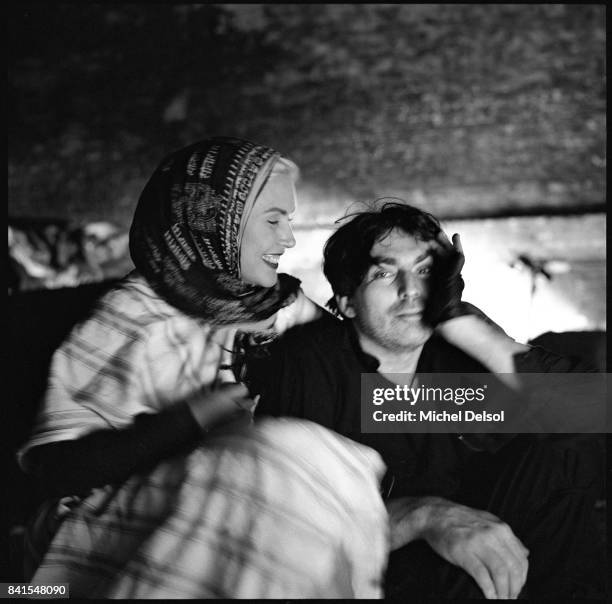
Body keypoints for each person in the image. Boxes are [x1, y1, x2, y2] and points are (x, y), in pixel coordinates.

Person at [16, 137, 389, 598]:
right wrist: (191, 420)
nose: (288, 238)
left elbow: (414, 396)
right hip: (115, 531)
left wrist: (463, 330)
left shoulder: (281, 310)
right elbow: (56, 471)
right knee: (278, 460)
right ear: (212, 223)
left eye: (288, 220)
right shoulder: (134, 318)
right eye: (273, 220)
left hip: (245, 514)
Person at [253, 202, 604, 600]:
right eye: (384, 273)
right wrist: (424, 515)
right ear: (347, 301)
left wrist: (464, 324)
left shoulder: (447, 365)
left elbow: (593, 409)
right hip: (367, 574)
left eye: (424, 271)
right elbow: (287, 525)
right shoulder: (314, 362)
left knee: (566, 449)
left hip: (477, 564)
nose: (412, 291)